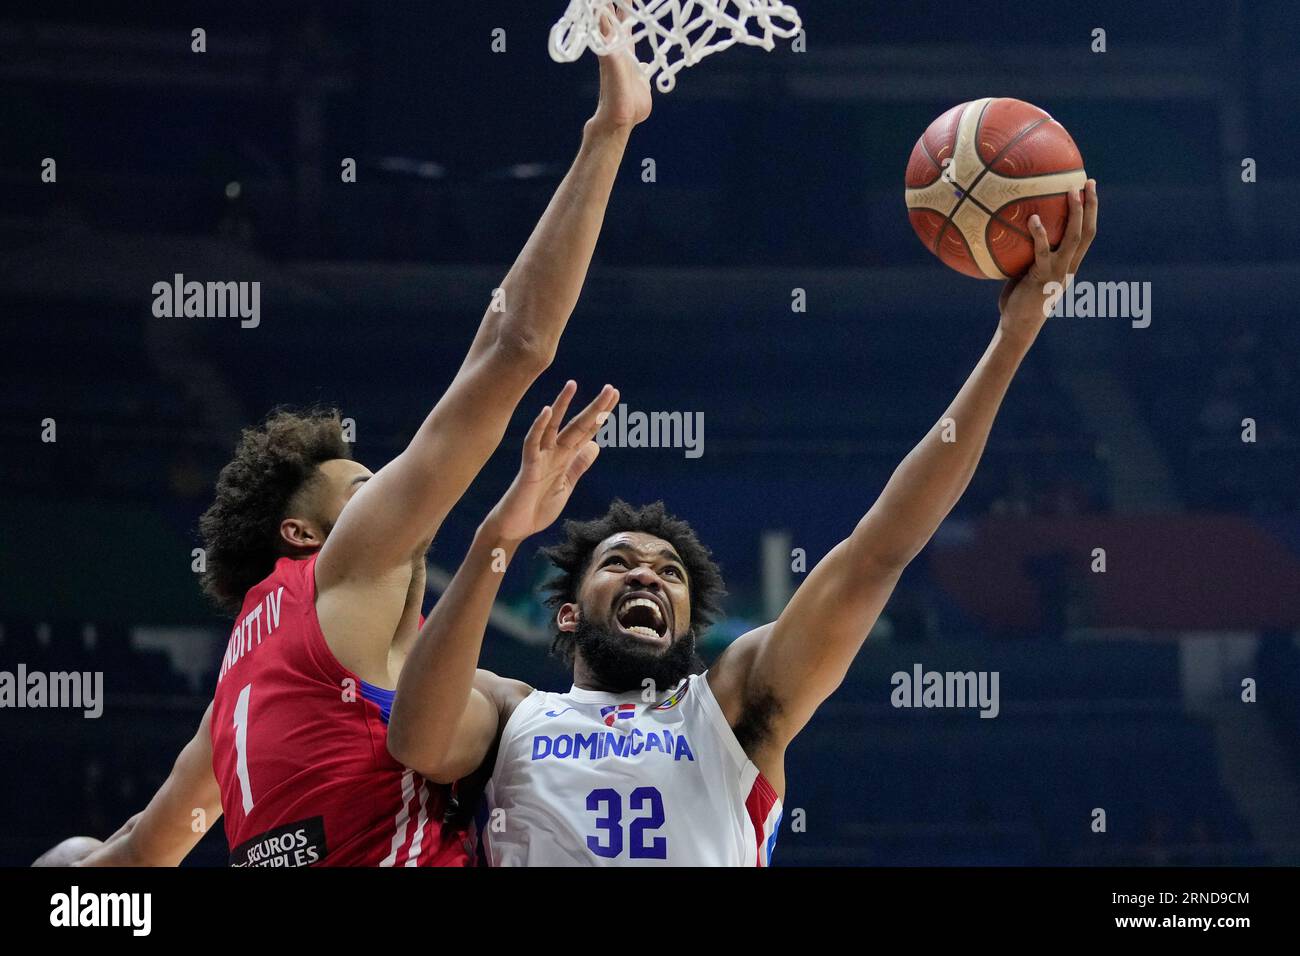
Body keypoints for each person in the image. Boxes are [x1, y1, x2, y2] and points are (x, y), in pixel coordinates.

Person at [33, 35, 651, 867]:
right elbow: (514, 346)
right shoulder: (349, 568)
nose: (389, 498)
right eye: (363, 487)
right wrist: (608, 132)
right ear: (302, 532)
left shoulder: (229, 714)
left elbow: (135, 855)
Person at [387, 182, 1100, 865]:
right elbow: (419, 740)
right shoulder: (512, 713)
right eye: (619, 564)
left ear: (690, 621)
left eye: (670, 573)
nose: (646, 572)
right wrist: (500, 536)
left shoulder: (731, 704)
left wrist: (1013, 339)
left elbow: (879, 550)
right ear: (568, 615)